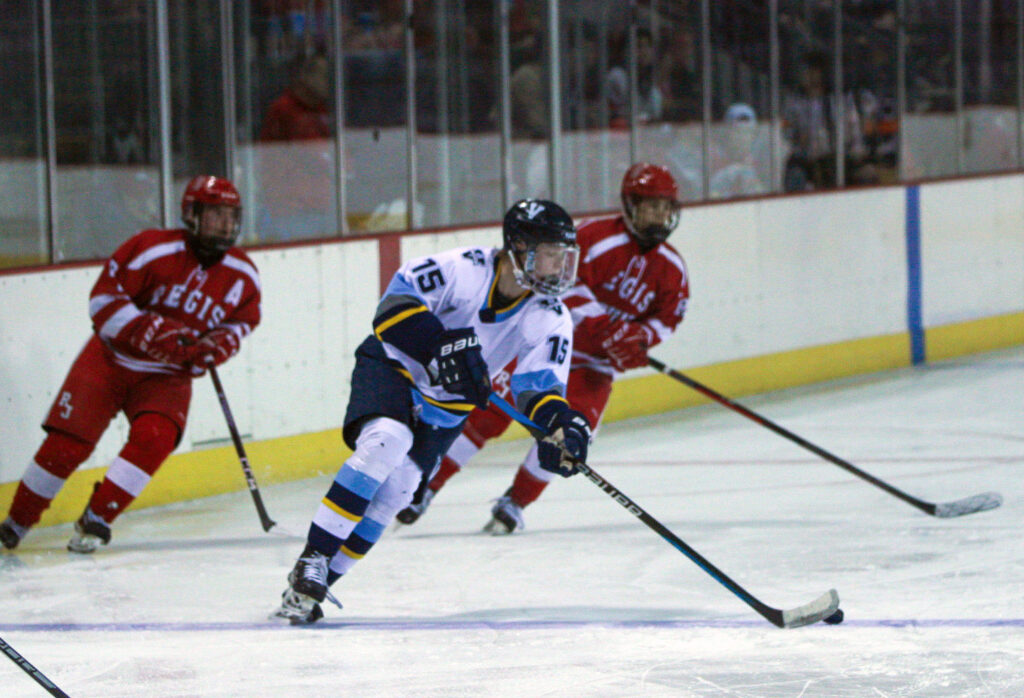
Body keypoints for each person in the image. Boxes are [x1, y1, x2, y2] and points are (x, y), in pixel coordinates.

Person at [274, 199, 590, 624]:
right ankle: (312, 558)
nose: (558, 268)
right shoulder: (463, 269)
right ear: (518, 247)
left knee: (401, 488)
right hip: (394, 368)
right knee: (388, 441)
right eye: (550, 254)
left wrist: (557, 425)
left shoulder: (550, 317)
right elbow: (392, 309)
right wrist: (439, 346)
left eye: (563, 256)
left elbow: (537, 386)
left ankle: (311, 589)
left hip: (446, 408)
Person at [397, 163, 690, 534]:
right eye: (652, 206)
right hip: (544, 343)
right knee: (485, 417)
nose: (660, 215)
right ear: (630, 205)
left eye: (666, 207)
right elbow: (561, 279)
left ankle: (515, 503)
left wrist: (641, 339)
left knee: (569, 434)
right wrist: (604, 325)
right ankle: (426, 487)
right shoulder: (595, 237)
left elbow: (669, 317)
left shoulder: (672, 267)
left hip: (594, 365)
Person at [0, 176, 261, 553]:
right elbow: (102, 302)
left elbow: (242, 321)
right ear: (192, 214)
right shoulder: (152, 249)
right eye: (215, 213)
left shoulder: (243, 274)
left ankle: (98, 517)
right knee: (66, 445)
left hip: (168, 376)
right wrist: (158, 331)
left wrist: (216, 346)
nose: (225, 223)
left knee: (154, 439)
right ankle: (17, 522)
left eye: (230, 215)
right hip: (110, 360)